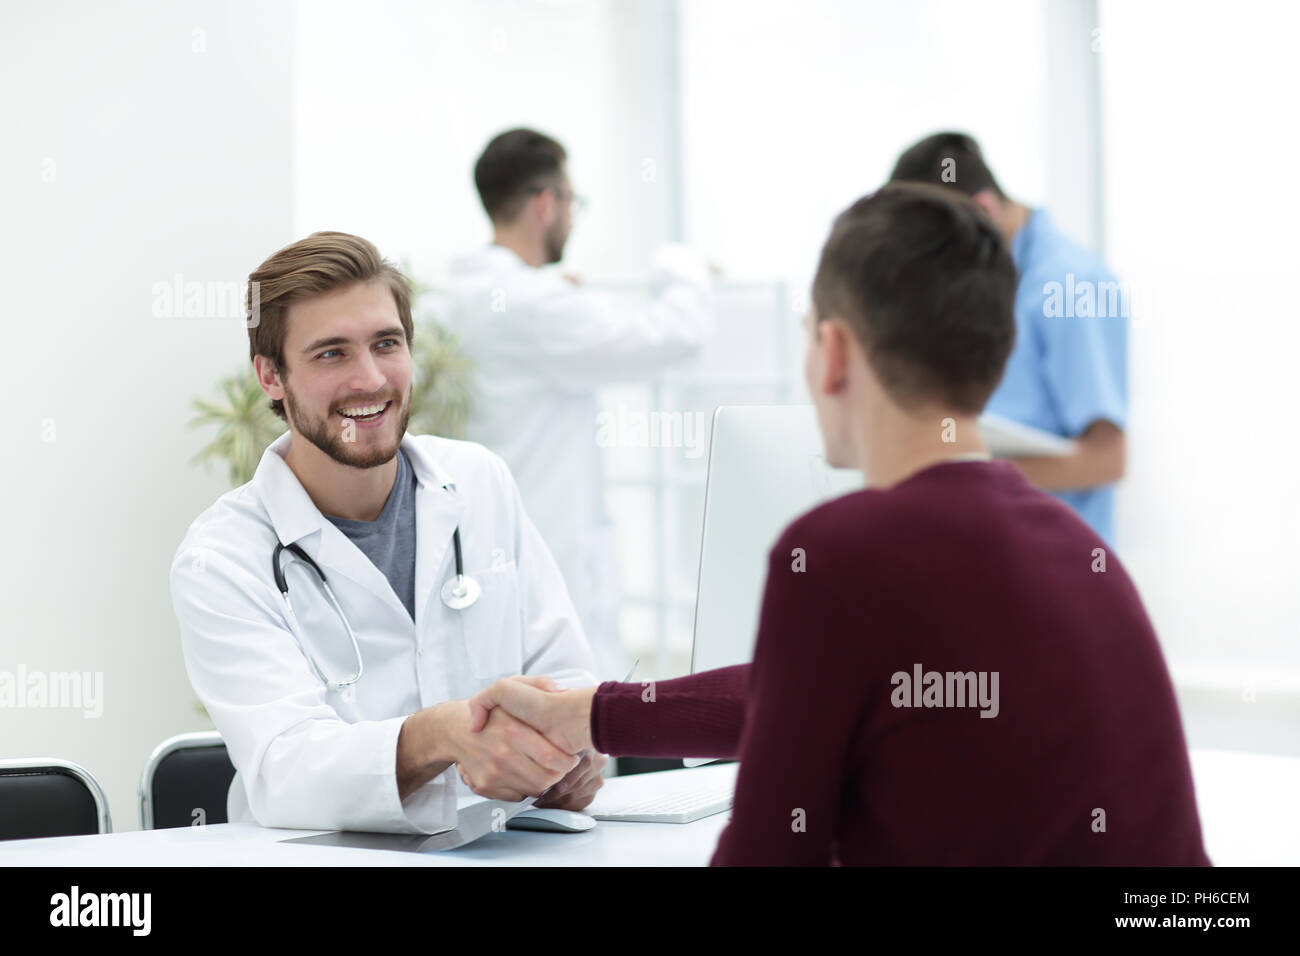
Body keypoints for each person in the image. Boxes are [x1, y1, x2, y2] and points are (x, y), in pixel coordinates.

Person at [466, 183, 1210, 866]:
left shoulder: (839, 553)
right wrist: (585, 716)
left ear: (834, 353)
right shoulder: (1079, 551)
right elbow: (795, 693)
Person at [169, 231, 608, 834]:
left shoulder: (479, 482)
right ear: (271, 377)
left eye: (386, 343)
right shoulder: (221, 559)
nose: (370, 379)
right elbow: (284, 770)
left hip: (507, 844)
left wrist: (576, 753)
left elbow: (567, 675)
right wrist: (439, 736)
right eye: (331, 354)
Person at [442, 128, 714, 680]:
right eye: (573, 201)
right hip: (551, 547)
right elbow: (671, 335)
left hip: (490, 545)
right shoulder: (537, 305)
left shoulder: (466, 292)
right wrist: (685, 269)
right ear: (547, 203)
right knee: (574, 719)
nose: (573, 215)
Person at [891, 131, 1128, 546]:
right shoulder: (986, 277)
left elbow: (1106, 460)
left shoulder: (1071, 285)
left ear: (983, 209)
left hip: (1059, 565)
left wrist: (966, 479)